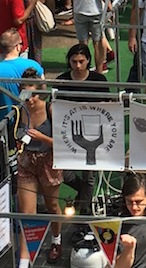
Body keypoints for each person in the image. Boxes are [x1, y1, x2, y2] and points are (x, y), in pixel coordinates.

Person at [15, 68, 63, 265]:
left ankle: (56, 240)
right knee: (27, 212)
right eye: (26, 94)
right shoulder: (19, 110)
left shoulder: (50, 108)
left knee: (52, 205)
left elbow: (63, 142)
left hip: (48, 160)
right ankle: (24, 261)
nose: (30, 99)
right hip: (26, 161)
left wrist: (42, 137)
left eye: (33, 94)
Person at [55, 44, 106, 215]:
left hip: (93, 133)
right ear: (68, 61)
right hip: (67, 134)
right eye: (74, 61)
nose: (77, 65)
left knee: (89, 176)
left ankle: (85, 210)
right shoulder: (61, 81)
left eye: (81, 61)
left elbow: (107, 106)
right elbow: (54, 106)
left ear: (88, 61)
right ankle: (83, 195)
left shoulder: (98, 80)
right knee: (63, 172)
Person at [0, 29, 44, 120]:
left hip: (7, 124)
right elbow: (44, 92)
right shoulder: (34, 65)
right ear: (18, 47)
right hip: (32, 121)